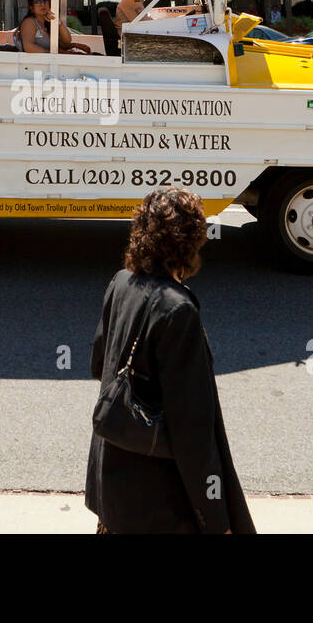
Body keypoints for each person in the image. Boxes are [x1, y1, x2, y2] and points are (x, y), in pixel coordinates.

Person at [86, 188, 256, 535]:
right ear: (191, 243)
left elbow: (99, 364)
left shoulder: (121, 282)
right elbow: (192, 431)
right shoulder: (178, 311)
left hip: (112, 481)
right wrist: (216, 519)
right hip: (157, 501)